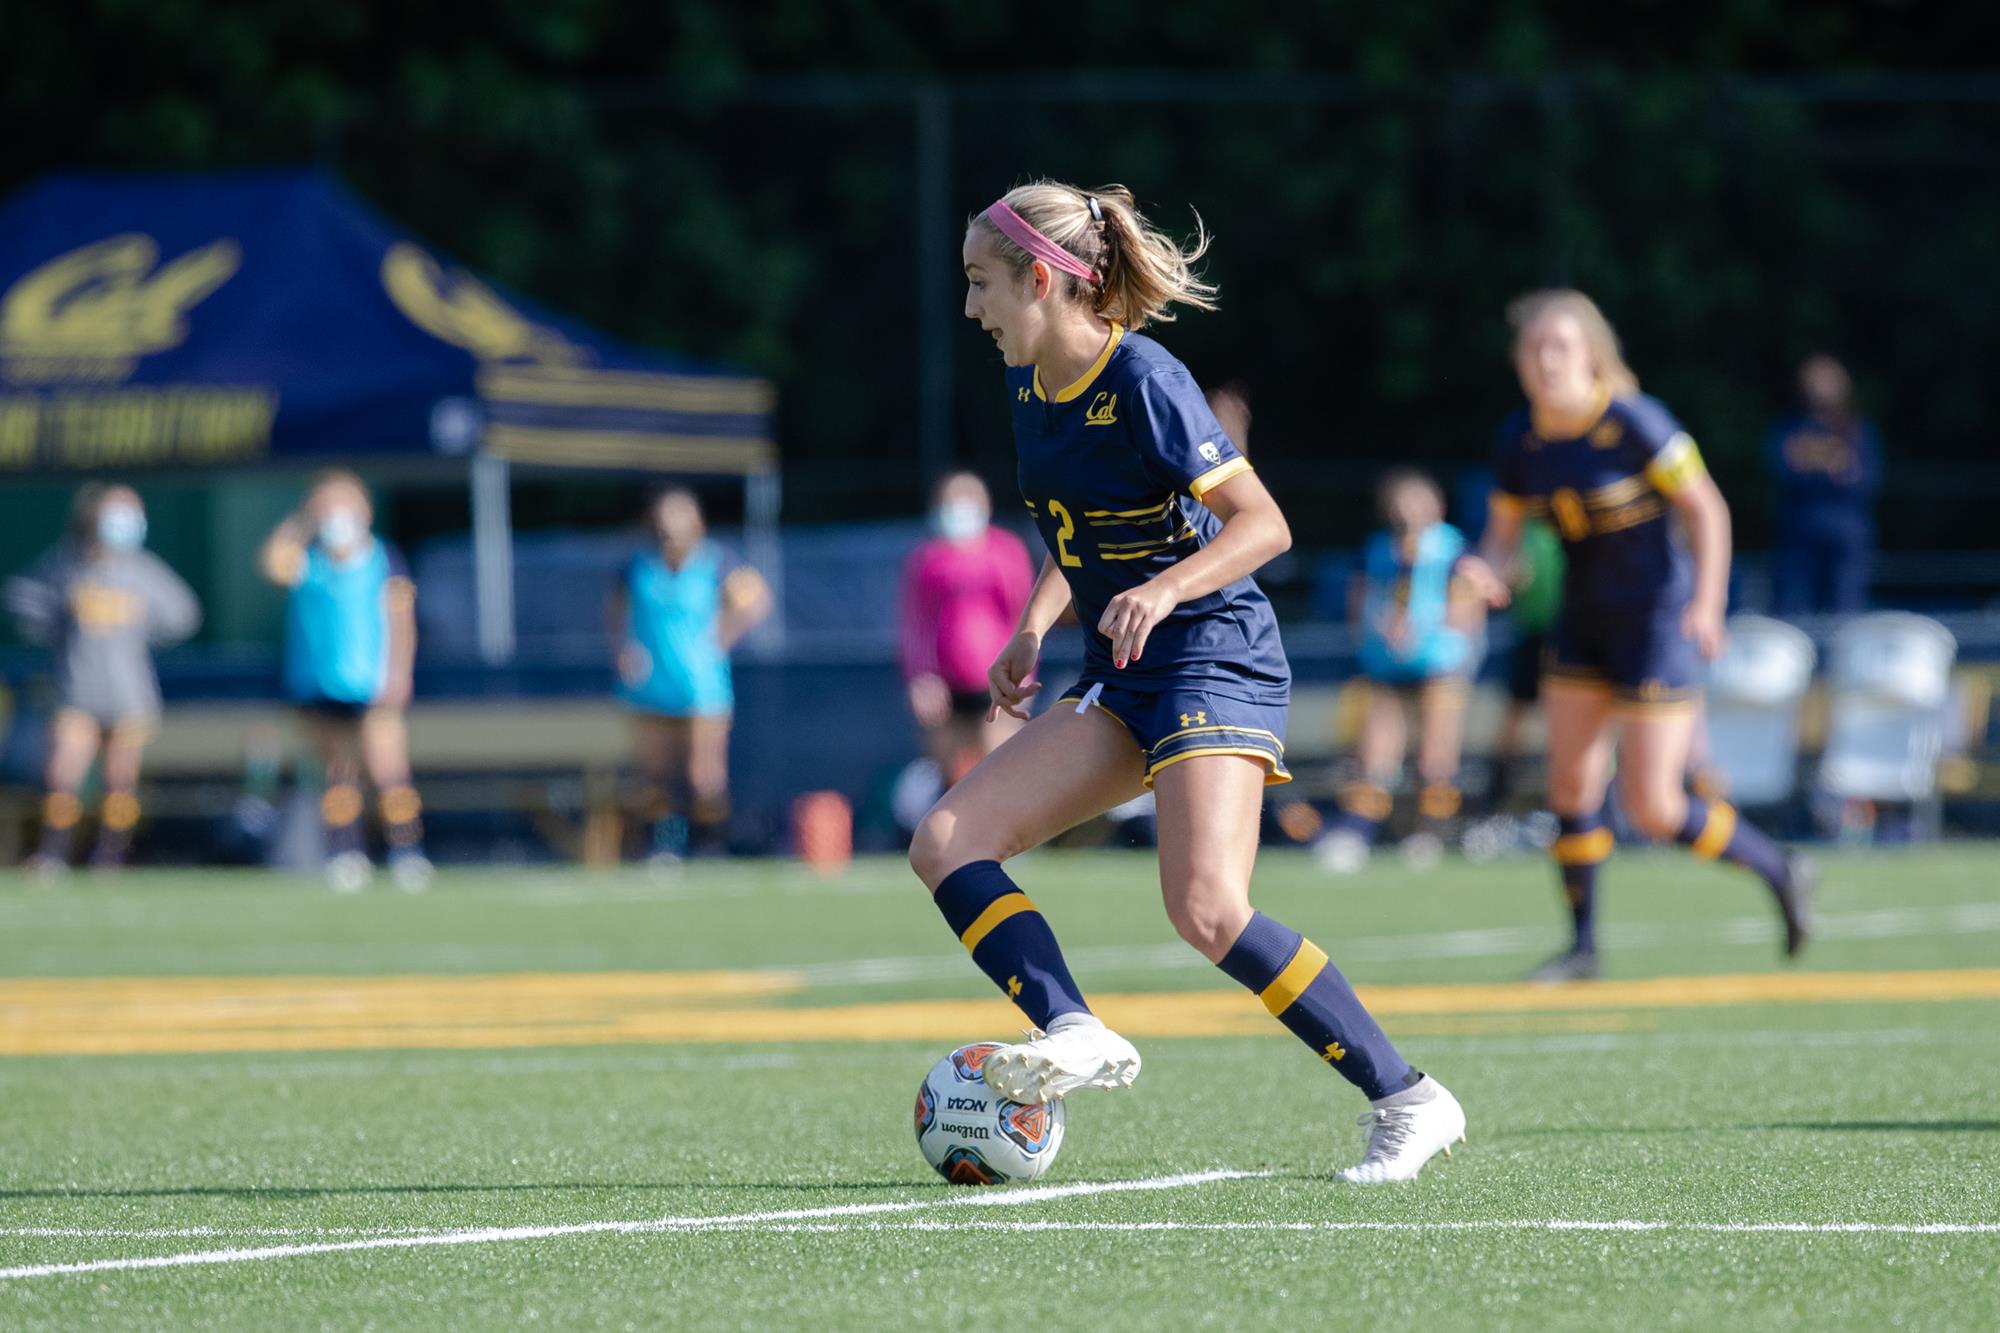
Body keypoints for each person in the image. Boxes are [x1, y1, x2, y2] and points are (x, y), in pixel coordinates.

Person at [911, 180, 1466, 1184]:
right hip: (1122, 671)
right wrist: (1033, 625)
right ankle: (1073, 1028)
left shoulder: (1145, 378)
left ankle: (1409, 1097)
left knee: (1206, 906)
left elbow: (1264, 526)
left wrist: (1162, 591)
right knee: (945, 841)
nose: (968, 307)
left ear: (1039, 279)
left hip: (1215, 652)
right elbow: (1072, 527)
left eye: (979, 282)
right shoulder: (1028, 378)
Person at [1472, 290, 1814, 982]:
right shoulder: (1520, 440)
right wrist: (1482, 570)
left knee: (1653, 807)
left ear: (1592, 355)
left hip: (1657, 622)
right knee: (1570, 788)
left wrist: (1709, 603)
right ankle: (1583, 948)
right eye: (1534, 349)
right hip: (1581, 621)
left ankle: (1780, 867)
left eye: (1560, 348)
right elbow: (1501, 539)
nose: (1545, 362)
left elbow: (1708, 510)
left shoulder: (1636, 422)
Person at [6, 485, 200, 873]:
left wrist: (146, 630)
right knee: (63, 775)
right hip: (77, 691)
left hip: (130, 695)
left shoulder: (143, 570)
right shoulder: (66, 565)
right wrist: (54, 623)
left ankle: (110, 857)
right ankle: (53, 853)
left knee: (120, 779)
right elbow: (21, 598)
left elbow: (184, 614)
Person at [259, 470, 431, 893]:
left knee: (389, 769)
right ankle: (345, 853)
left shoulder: (384, 558)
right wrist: (302, 520)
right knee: (337, 773)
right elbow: (270, 565)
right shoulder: (307, 561)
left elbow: (402, 619)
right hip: (318, 683)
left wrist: (399, 672)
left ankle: (407, 853)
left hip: (371, 683)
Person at [1318, 469, 1488, 873]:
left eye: (1415, 501)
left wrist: (1430, 630)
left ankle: (1429, 832)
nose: (1406, 511)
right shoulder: (1377, 549)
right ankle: (1357, 830)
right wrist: (1373, 630)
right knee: (1376, 750)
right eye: (1399, 502)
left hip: (1440, 663)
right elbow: (1359, 598)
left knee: (1436, 753)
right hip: (1386, 665)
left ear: (1435, 505)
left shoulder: (1454, 550)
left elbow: (1468, 606)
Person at [609, 488, 772, 863]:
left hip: (702, 685)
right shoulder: (638, 565)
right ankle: (664, 845)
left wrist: (722, 635)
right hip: (650, 684)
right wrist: (623, 648)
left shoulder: (717, 562)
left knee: (704, 774)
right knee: (655, 774)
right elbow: (616, 607)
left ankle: (711, 843)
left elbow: (757, 600)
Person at [899, 472, 1035, 792]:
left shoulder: (1006, 552)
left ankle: (1006, 840)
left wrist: (1026, 674)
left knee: (999, 769)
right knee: (950, 777)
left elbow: (1025, 616)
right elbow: (915, 625)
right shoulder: (928, 561)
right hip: (945, 687)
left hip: (997, 678)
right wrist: (920, 678)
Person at [1768, 354, 1880, 616]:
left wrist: (1814, 462)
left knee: (1846, 610)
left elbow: (1864, 480)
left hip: (1846, 536)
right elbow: (1784, 471)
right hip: (1798, 532)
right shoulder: (1787, 428)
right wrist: (1832, 464)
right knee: (1794, 610)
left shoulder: (1858, 430)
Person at [1485, 516, 1564, 813]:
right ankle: (1498, 795)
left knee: (1570, 718)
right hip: (1533, 634)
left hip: (1574, 633)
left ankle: (1580, 801)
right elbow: (1503, 571)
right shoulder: (1522, 525)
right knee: (1515, 715)